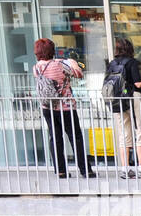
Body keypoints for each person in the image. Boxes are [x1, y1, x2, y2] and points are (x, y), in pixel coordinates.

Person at [32, 38, 94, 180]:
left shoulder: (36, 67)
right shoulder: (60, 65)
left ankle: (60, 171)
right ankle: (85, 170)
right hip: (66, 107)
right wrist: (72, 63)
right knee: (75, 137)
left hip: (47, 106)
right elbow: (79, 74)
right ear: (52, 50)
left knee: (55, 138)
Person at [105, 37, 141, 180]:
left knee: (123, 133)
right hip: (134, 98)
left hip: (118, 101)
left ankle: (125, 169)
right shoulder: (132, 63)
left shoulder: (112, 64)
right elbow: (138, 83)